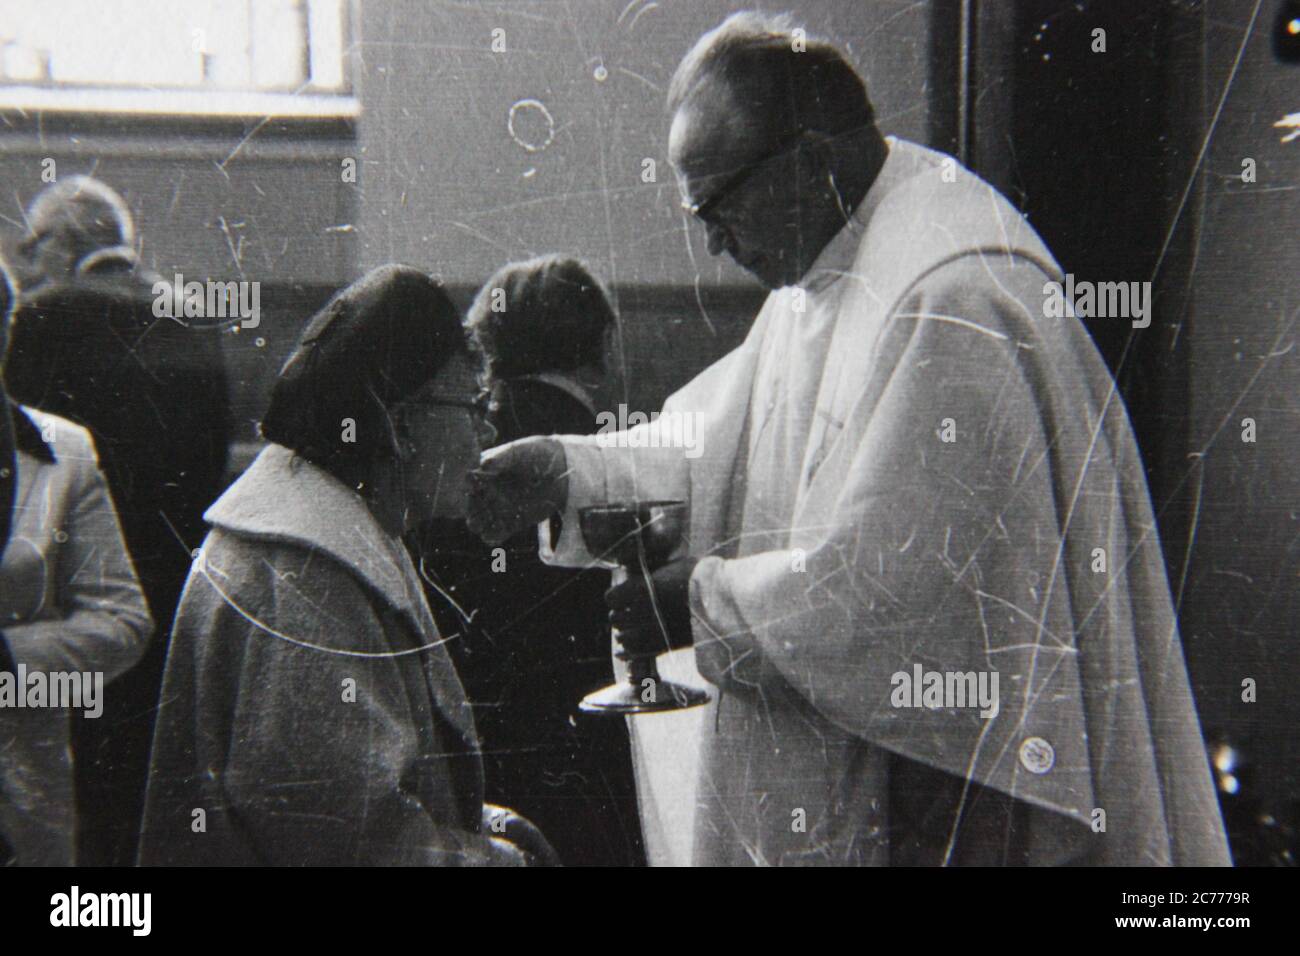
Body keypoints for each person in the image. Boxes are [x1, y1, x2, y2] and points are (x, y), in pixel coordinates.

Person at [467, 12, 1231, 866]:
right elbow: (725, 441)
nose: (712, 241)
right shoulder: (833, 255)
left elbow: (899, 598)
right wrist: (568, 470)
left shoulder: (947, 296)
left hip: (946, 799)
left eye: (716, 205)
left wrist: (701, 604)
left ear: (809, 163)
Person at [139, 264, 555, 866]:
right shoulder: (310, 572)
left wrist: (482, 822)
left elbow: (344, 784)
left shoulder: (327, 524)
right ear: (401, 423)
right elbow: (341, 841)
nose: (485, 430)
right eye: (473, 404)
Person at [3, 176, 230, 864]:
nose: (24, 259)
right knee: (137, 784)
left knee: (63, 792)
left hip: (59, 599)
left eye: (31, 242)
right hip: (167, 588)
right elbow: (213, 462)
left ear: (65, 241)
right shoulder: (193, 316)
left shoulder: (41, 316)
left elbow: (23, 473)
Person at [412, 255, 644, 866]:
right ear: (601, 347)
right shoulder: (616, 457)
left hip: (472, 760)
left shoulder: (439, 452)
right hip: (589, 760)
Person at [0, 258, 153, 866]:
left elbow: (125, 622)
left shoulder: (64, 450)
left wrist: (11, 664)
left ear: (8, 329)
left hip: (24, 812)